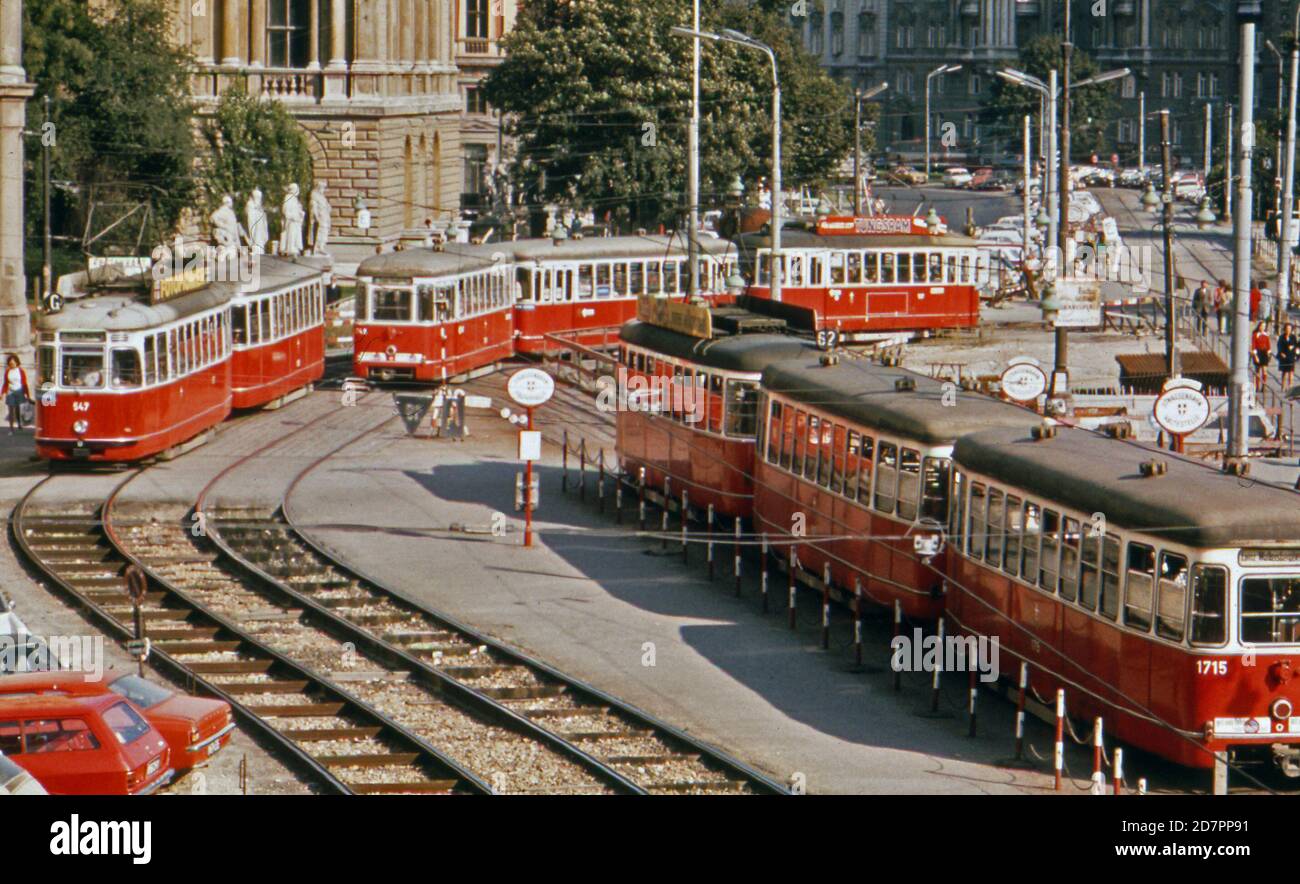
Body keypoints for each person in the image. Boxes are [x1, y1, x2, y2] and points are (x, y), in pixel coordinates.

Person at [2, 354, 30, 434]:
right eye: (10, 364)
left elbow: (24, 383)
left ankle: (19, 422)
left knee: (18, 408)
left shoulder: (21, 371)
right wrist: (2, 393)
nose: (12, 365)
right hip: (10, 392)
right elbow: (5, 383)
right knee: (10, 410)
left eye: (13, 364)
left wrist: (27, 395)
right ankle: (11, 429)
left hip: (19, 391)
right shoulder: (8, 371)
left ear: (17, 363)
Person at [1252, 322, 1272, 393]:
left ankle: (1264, 385)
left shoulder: (1266, 335)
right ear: (1259, 327)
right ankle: (1257, 386)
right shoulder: (1255, 335)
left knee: (1265, 370)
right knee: (1257, 370)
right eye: (1262, 326)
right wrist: (1255, 356)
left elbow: (1268, 345)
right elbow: (1253, 345)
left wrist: (1269, 353)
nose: (1263, 327)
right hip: (1258, 352)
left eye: (1264, 326)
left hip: (1264, 353)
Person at [1278, 322, 1299, 392]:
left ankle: (1290, 387)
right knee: (1284, 372)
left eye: (1290, 329)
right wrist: (1281, 353)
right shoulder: (1282, 337)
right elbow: (1279, 346)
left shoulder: (1293, 337)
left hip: (1291, 356)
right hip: (1284, 357)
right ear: (1285, 329)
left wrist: (1294, 349)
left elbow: (1296, 345)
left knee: (1291, 372)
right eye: (1287, 328)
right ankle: (1283, 386)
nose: (1288, 330)